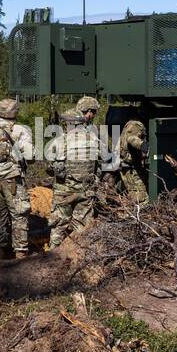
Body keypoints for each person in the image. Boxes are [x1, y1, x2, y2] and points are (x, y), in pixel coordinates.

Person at [0, 98, 34, 258]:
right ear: (15, 112)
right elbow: (31, 156)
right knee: (19, 215)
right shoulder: (20, 130)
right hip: (13, 181)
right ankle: (20, 254)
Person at [47, 104, 101, 248]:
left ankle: (53, 257)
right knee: (83, 228)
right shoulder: (94, 140)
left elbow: (50, 167)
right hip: (86, 190)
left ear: (66, 124)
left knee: (59, 225)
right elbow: (106, 160)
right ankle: (80, 258)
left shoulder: (59, 142)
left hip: (64, 191)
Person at [117, 118, 149, 203]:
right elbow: (132, 139)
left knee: (133, 194)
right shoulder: (135, 126)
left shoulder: (129, 126)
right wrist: (143, 145)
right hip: (132, 170)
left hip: (128, 167)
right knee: (141, 197)